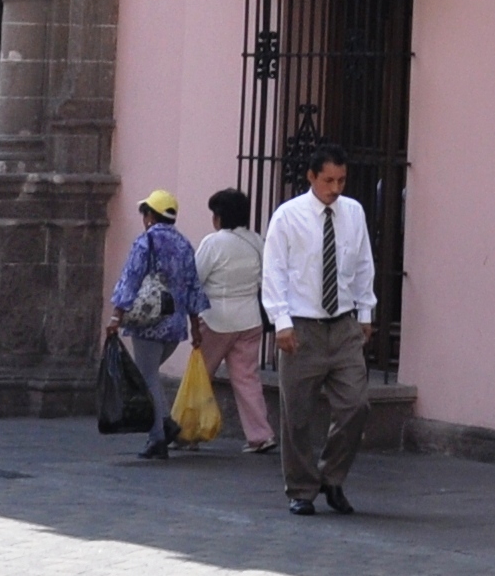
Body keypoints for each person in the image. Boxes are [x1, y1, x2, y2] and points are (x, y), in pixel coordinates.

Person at [263, 142, 376, 517]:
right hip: (302, 326)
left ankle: (332, 476)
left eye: (341, 180)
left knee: (355, 404)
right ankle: (301, 488)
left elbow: (362, 263)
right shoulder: (287, 216)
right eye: (328, 179)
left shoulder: (353, 213)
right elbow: (274, 271)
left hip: (342, 324)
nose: (335, 187)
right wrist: (281, 321)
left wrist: (365, 312)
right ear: (311, 177)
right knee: (296, 414)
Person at [108, 189, 208, 460]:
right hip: (175, 325)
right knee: (150, 373)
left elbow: (130, 278)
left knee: (147, 375)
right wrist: (196, 326)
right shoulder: (185, 244)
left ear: (150, 215)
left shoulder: (145, 242)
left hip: (148, 321)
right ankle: (162, 428)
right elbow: (193, 288)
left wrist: (117, 315)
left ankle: (161, 432)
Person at [194, 187, 275, 454]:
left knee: (200, 376)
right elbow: (267, 279)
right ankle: (260, 434)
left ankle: (189, 430)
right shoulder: (257, 242)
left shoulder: (213, 243)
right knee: (247, 379)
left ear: (218, 216)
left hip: (216, 319)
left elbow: (197, 278)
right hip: (250, 319)